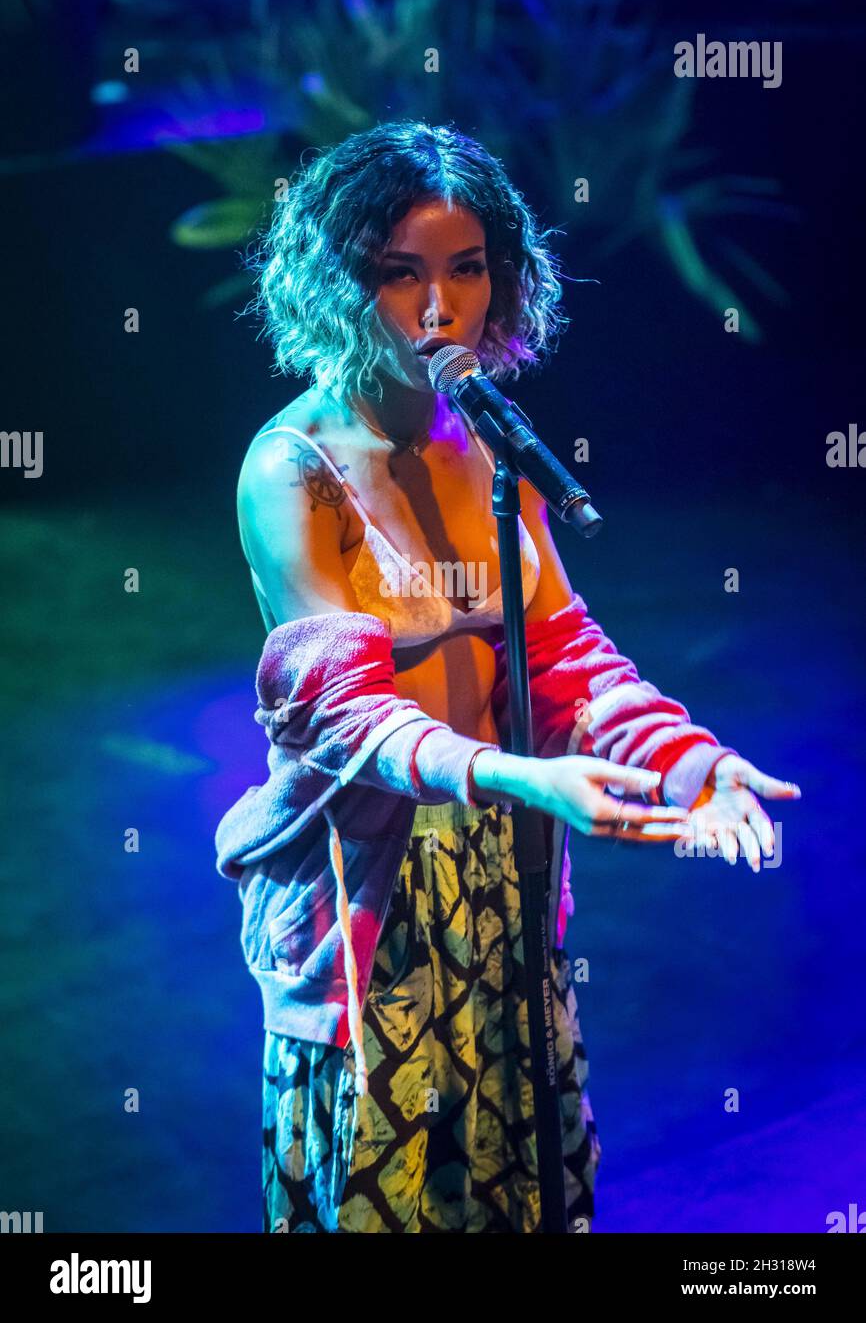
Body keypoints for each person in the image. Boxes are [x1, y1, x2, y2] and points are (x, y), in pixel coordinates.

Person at [221, 120, 800, 1234]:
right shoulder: (288, 470)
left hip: (504, 880)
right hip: (365, 890)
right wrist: (527, 778)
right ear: (339, 282)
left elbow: (562, 649)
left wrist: (690, 762)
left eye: (466, 268)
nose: (439, 311)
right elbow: (346, 718)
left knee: (520, 1181)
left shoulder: (489, 446)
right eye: (400, 276)